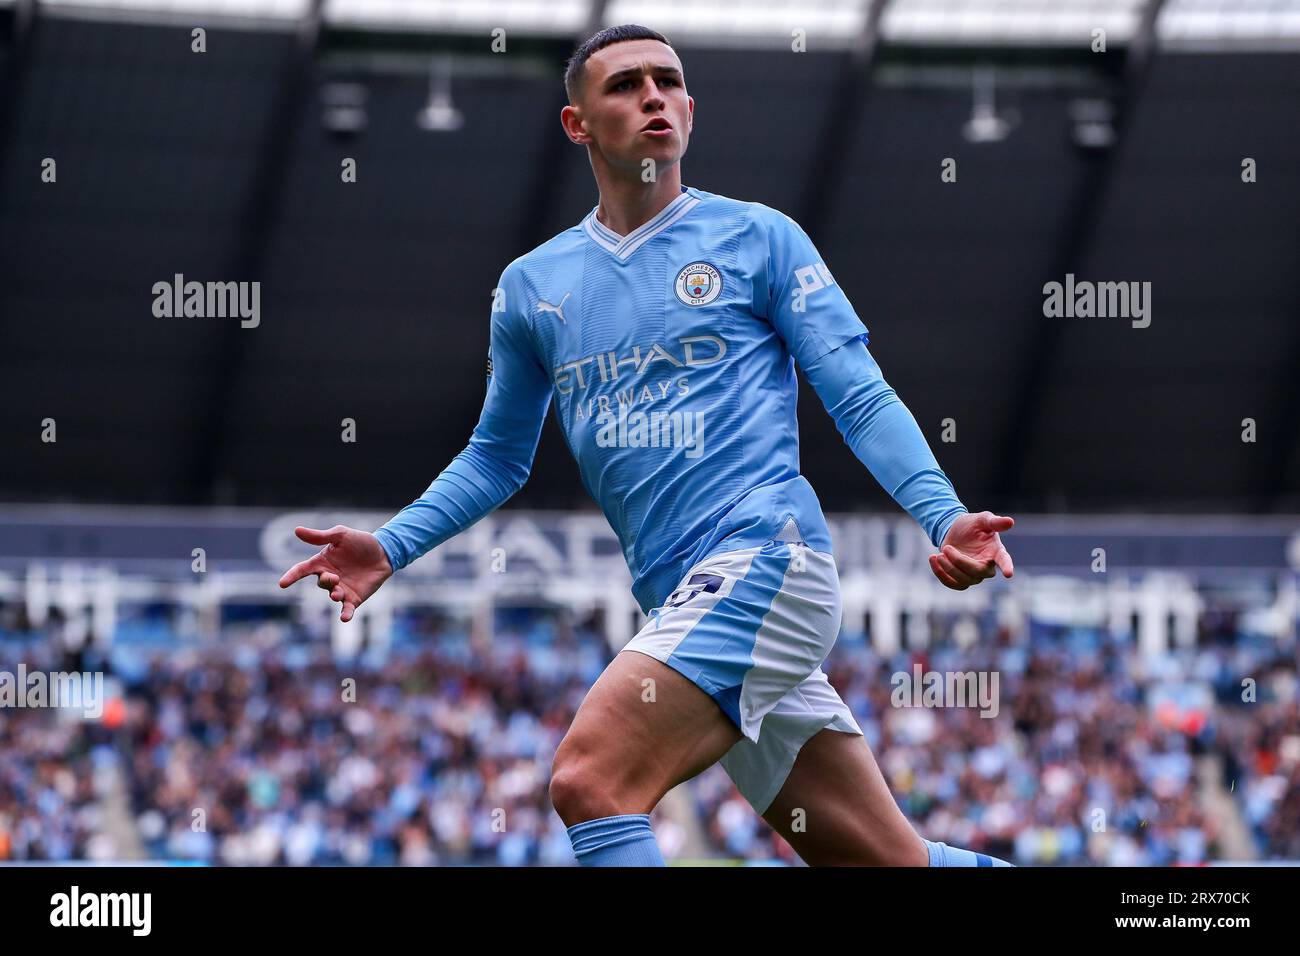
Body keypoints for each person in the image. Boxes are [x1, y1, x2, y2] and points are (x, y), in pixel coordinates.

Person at [279, 24, 1015, 867]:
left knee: (590, 778)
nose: (653, 96)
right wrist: (393, 544)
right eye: (625, 85)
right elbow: (497, 456)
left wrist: (943, 514)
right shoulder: (532, 288)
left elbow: (857, 392)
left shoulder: (759, 239)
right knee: (891, 863)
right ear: (577, 123)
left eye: (667, 81)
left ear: (691, 111)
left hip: (765, 561)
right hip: (679, 599)